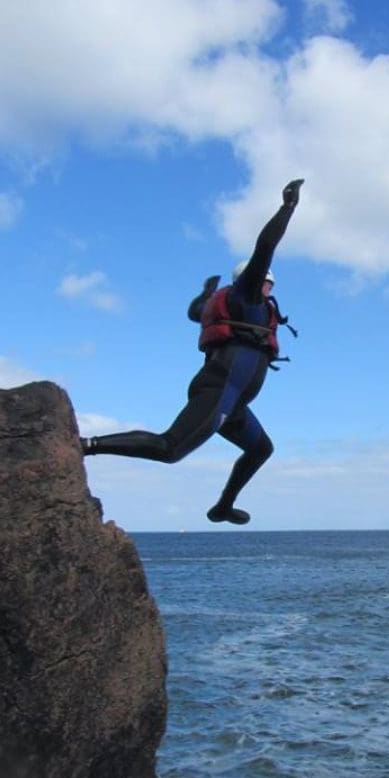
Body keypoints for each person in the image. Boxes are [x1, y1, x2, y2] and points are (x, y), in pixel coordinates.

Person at [81, 178, 304, 525]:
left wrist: (204, 292)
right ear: (250, 280)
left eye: (270, 284)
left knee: (261, 449)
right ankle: (87, 445)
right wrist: (287, 208)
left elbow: (194, 311)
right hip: (219, 389)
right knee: (170, 448)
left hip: (235, 403)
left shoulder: (241, 306)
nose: (267, 286)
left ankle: (222, 507)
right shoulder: (243, 296)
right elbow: (265, 247)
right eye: (264, 281)